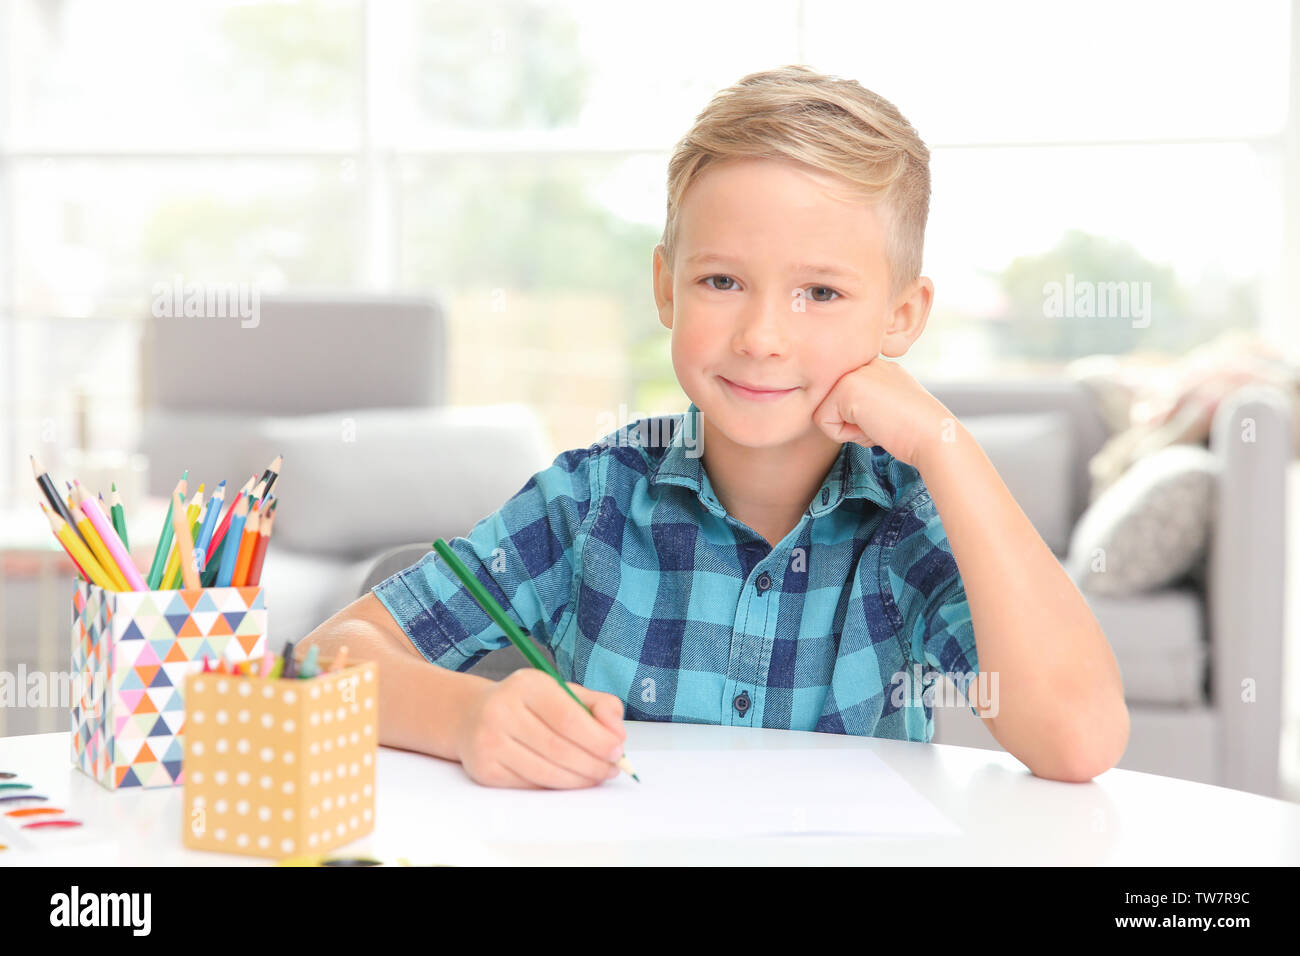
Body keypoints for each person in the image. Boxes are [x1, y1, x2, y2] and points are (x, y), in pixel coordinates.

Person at [298, 65, 1128, 790]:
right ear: (667, 288)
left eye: (821, 293)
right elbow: (324, 658)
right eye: (723, 280)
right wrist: (469, 718)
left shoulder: (909, 530)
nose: (763, 335)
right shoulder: (590, 503)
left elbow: (1079, 738)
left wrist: (946, 446)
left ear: (902, 317)